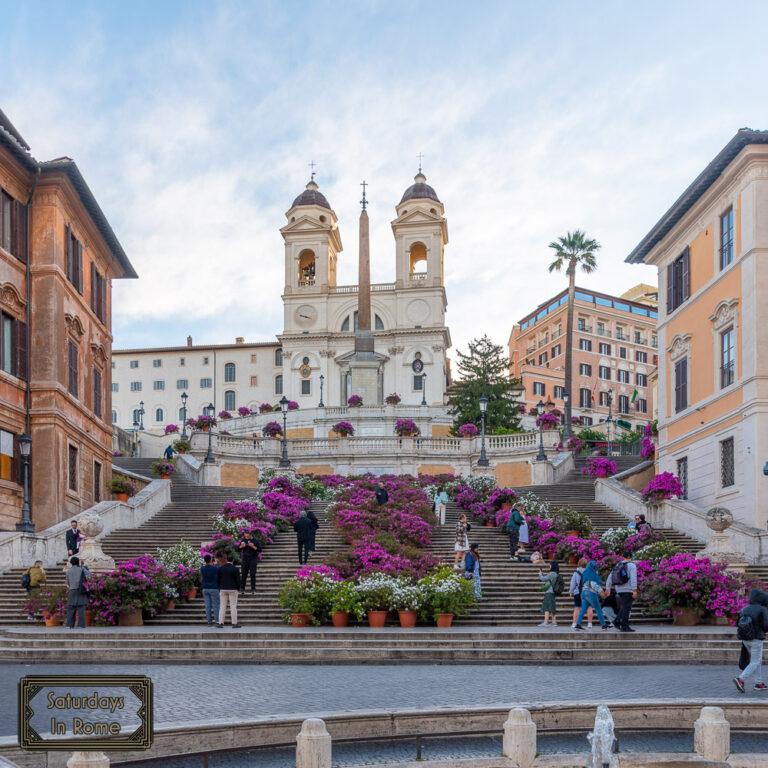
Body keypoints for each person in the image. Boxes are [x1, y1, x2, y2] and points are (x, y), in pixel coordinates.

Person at [734, 588, 768, 693]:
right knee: (755, 661)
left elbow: (737, 623)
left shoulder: (744, 609)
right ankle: (741, 679)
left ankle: (759, 683)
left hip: (745, 639)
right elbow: (766, 626)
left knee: (756, 661)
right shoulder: (762, 609)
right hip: (756, 639)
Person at [605, 550, 638, 632]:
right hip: (628, 589)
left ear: (623, 557)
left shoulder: (618, 565)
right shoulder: (632, 565)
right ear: (631, 557)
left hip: (619, 589)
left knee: (624, 606)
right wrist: (634, 589)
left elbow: (610, 577)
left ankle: (623, 625)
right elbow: (633, 578)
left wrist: (608, 588)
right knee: (626, 607)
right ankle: (620, 623)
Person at [573, 560, 609, 631]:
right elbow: (593, 584)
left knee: (583, 610)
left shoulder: (586, 573)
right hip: (591, 593)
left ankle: (578, 625)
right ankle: (604, 625)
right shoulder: (592, 574)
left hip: (583, 593)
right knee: (598, 609)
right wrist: (602, 592)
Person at [65, 556, 90, 629]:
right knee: (81, 608)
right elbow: (89, 575)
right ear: (78, 562)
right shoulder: (81, 569)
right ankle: (81, 625)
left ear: (71, 563)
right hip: (81, 590)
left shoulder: (68, 571)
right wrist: (85, 567)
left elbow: (67, 583)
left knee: (71, 608)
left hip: (72, 590)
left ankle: (69, 625)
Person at [217, 553, 241, 628]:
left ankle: (220, 623)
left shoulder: (221, 568)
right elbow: (238, 580)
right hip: (233, 589)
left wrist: (219, 587)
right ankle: (234, 623)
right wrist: (238, 588)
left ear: (226, 560)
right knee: (233, 606)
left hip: (223, 589)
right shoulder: (235, 569)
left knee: (222, 606)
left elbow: (218, 579)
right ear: (233, 560)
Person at [570, 557, 593, 629]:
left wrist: (571, 592)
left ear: (579, 564)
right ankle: (589, 623)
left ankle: (574, 623)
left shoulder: (576, 573)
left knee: (577, 608)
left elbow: (573, 584)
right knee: (589, 608)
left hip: (578, 592)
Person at [200, 554, 220, 627]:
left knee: (207, 606)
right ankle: (217, 621)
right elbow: (218, 569)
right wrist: (216, 564)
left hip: (205, 588)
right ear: (211, 560)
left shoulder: (202, 568)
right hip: (214, 588)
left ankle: (209, 622)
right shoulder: (215, 568)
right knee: (216, 606)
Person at [538, 561, 560, 627]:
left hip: (549, 592)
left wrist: (540, 574)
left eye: (550, 565)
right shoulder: (555, 573)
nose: (549, 566)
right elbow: (548, 578)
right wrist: (544, 574)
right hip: (552, 592)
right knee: (551, 607)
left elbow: (543, 579)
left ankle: (546, 622)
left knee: (547, 607)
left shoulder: (552, 573)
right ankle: (553, 622)